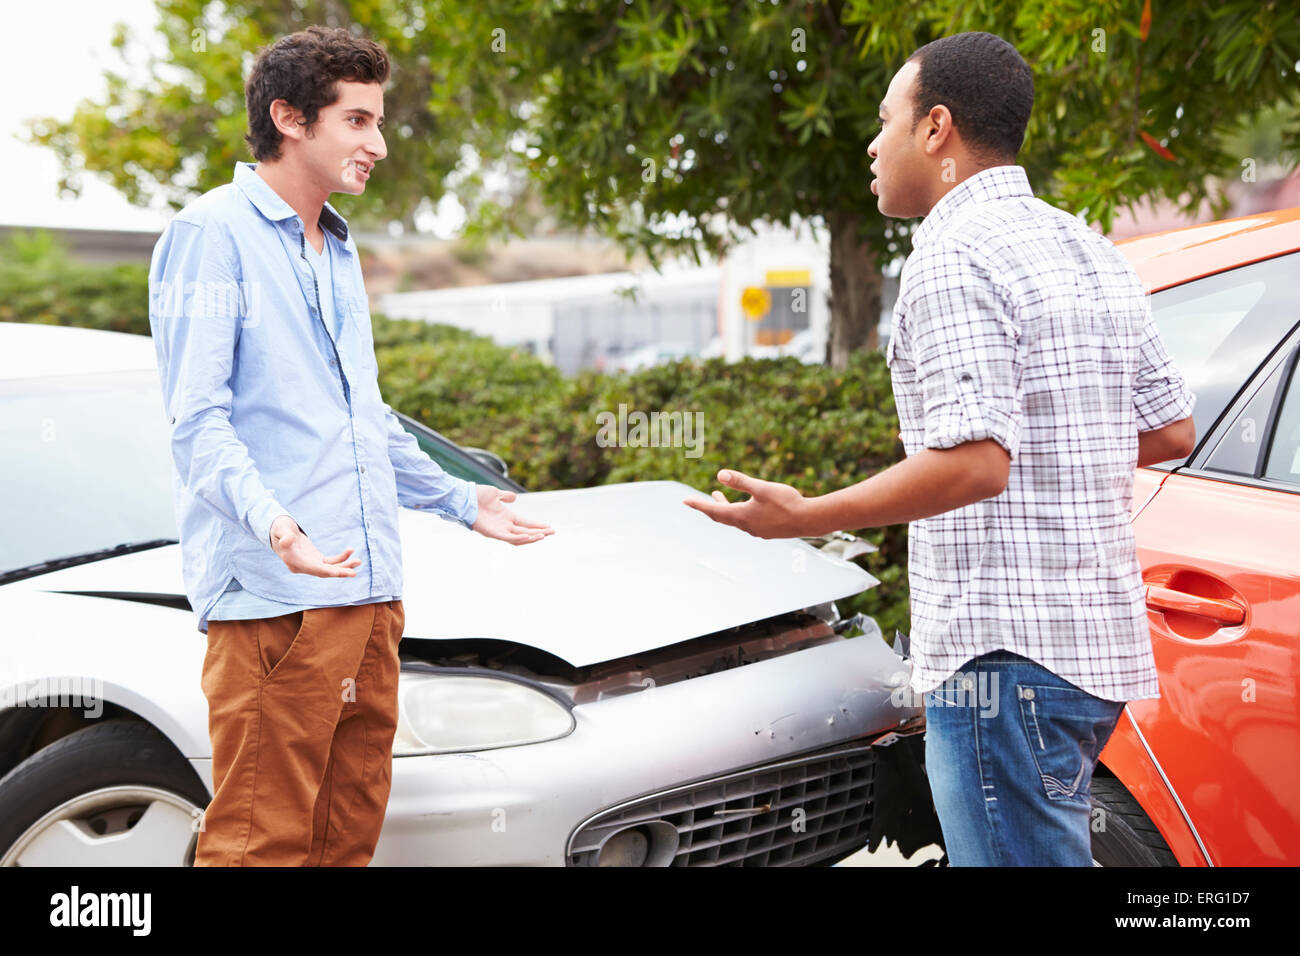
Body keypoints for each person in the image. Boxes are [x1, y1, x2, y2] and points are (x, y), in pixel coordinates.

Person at [682, 31, 1196, 866]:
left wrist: (807, 515)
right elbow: (1172, 428)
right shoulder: (1086, 244)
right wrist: (1055, 446)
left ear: (937, 128)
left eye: (886, 119)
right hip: (1088, 649)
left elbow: (975, 461)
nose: (872, 143)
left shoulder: (952, 254)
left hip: (1005, 651)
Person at [148, 26, 554, 866]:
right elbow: (197, 419)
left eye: (380, 121)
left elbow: (358, 414)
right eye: (359, 121)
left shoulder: (334, 243)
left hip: (369, 595)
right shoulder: (210, 234)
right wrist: (277, 526)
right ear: (290, 118)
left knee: (347, 839)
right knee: (261, 844)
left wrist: (459, 497)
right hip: (275, 601)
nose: (378, 143)